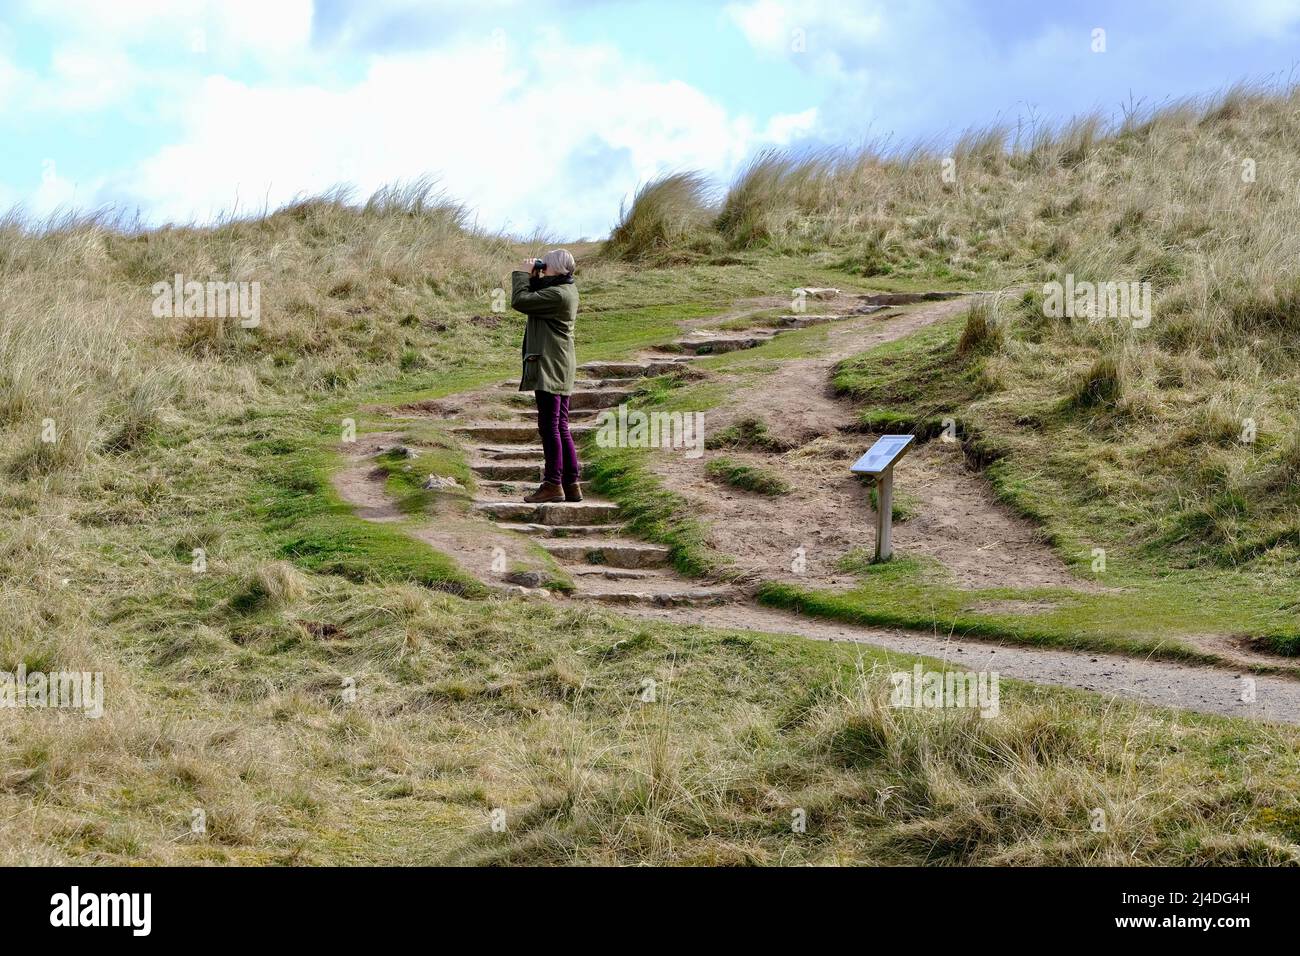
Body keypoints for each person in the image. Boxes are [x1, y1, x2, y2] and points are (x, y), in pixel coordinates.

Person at [511, 249, 581, 503]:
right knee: (560, 425)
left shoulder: (557, 295)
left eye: (546, 264)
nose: (542, 267)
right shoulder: (564, 290)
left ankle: (553, 483)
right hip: (559, 363)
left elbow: (521, 300)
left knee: (550, 425)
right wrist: (537, 274)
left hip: (551, 364)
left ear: (557, 268)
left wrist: (521, 273)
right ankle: (571, 483)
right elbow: (537, 294)